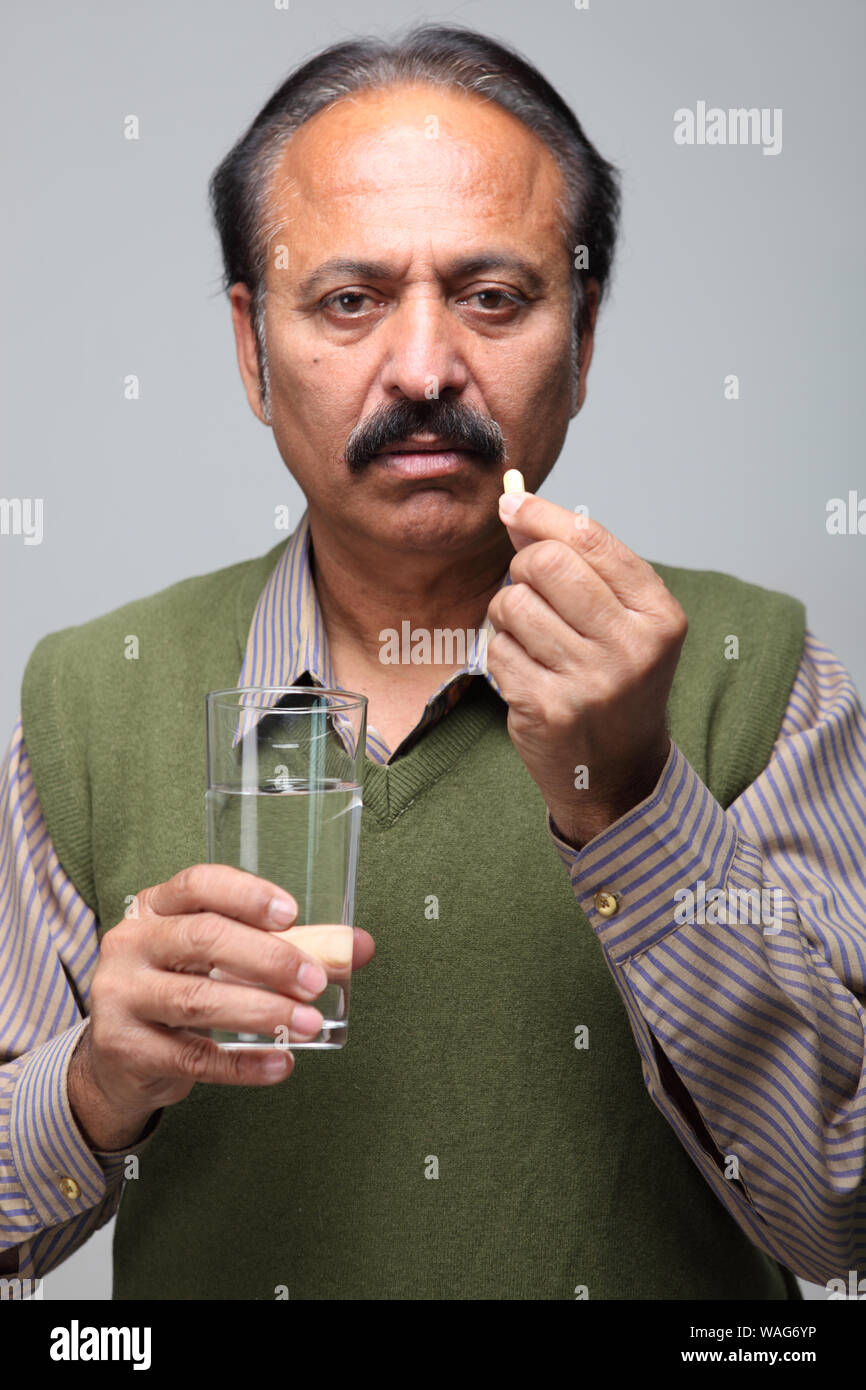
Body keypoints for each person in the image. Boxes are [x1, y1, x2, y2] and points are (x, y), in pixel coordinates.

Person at [2, 23, 864, 1301]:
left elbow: (836, 1215)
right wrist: (93, 1083)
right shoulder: (85, 696)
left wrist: (631, 797)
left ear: (579, 342)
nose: (422, 368)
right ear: (250, 347)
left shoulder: (762, 673)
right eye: (347, 301)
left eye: (494, 298)